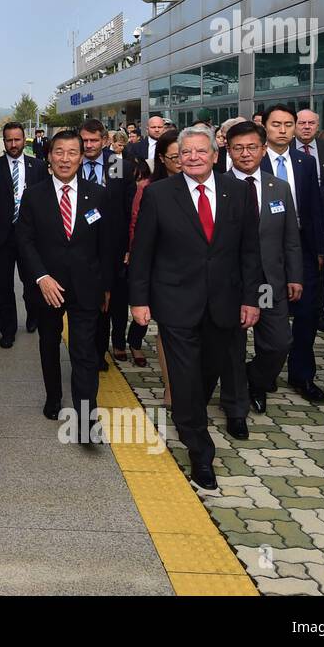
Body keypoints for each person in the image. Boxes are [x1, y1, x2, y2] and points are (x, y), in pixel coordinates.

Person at [130, 126, 263, 491]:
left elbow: (250, 250)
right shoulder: (159, 194)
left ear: (215, 156)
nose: (192, 157)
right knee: (185, 377)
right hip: (175, 302)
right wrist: (139, 301)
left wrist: (251, 299)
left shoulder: (238, 192)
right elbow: (143, 252)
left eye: (200, 151)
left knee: (211, 370)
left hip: (225, 303)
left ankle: (192, 413)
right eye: (185, 152)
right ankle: (199, 451)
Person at [15, 130, 114, 438]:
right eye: (60, 152)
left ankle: (86, 420)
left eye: (73, 152)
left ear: (81, 156)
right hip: (48, 287)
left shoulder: (98, 194)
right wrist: (41, 277)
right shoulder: (34, 195)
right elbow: (24, 241)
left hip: (86, 287)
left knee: (84, 352)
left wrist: (105, 286)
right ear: (49, 155)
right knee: (49, 342)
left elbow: (106, 245)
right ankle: (54, 396)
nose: (66, 159)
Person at [226, 121, 303, 429]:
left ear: (263, 148)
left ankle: (255, 378)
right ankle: (236, 407)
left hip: (270, 283)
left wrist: (295, 276)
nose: (246, 154)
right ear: (229, 151)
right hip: (231, 283)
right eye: (238, 148)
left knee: (278, 343)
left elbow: (290, 238)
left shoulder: (278, 187)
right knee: (232, 347)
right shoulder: (218, 185)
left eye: (252, 147)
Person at [259, 104, 324, 403]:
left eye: (290, 124)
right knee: (267, 312)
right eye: (277, 124)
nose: (284, 130)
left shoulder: (304, 161)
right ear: (265, 128)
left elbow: (314, 208)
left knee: (306, 313)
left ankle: (302, 375)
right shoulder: (252, 161)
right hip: (265, 246)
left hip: (302, 246)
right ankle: (263, 375)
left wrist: (320, 248)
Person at [0, 121, 49, 348]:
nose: (13, 144)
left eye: (17, 140)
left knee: (31, 283)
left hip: (30, 238)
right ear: (4, 141)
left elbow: (45, 203)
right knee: (4, 286)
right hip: (2, 237)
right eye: (9, 140)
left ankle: (33, 316)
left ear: (23, 139)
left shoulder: (37, 166)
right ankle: (7, 330)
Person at [124, 131, 181, 408]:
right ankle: (171, 387)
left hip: (199, 273)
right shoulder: (148, 189)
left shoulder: (215, 186)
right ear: (162, 158)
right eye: (176, 156)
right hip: (162, 271)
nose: (185, 160)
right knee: (168, 329)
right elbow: (137, 228)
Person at [79, 118, 135, 370]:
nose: (88, 145)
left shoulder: (118, 166)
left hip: (111, 247)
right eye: (84, 140)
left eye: (94, 140)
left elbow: (127, 208)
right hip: (79, 246)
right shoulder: (71, 163)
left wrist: (127, 247)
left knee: (106, 302)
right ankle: (84, 351)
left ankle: (99, 352)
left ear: (104, 141)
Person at [294, 108, 324, 179]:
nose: (307, 127)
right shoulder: (285, 148)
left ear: (317, 127)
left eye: (311, 123)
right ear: (294, 126)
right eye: (302, 123)